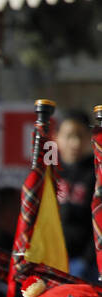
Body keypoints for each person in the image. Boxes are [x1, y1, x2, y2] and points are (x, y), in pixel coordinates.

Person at [52, 111, 96, 281]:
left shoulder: (96, 172)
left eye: (80, 136)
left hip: (85, 262)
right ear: (56, 137)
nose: (75, 143)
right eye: (69, 136)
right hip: (51, 257)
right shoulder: (49, 170)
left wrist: (87, 259)